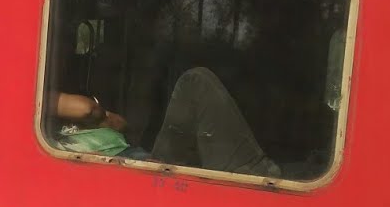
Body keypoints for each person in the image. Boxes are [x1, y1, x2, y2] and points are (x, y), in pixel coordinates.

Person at [50, 67, 281, 178]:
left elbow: (120, 124)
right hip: (134, 171)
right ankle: (255, 176)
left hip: (140, 158)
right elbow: (87, 109)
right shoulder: (40, 101)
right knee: (196, 82)